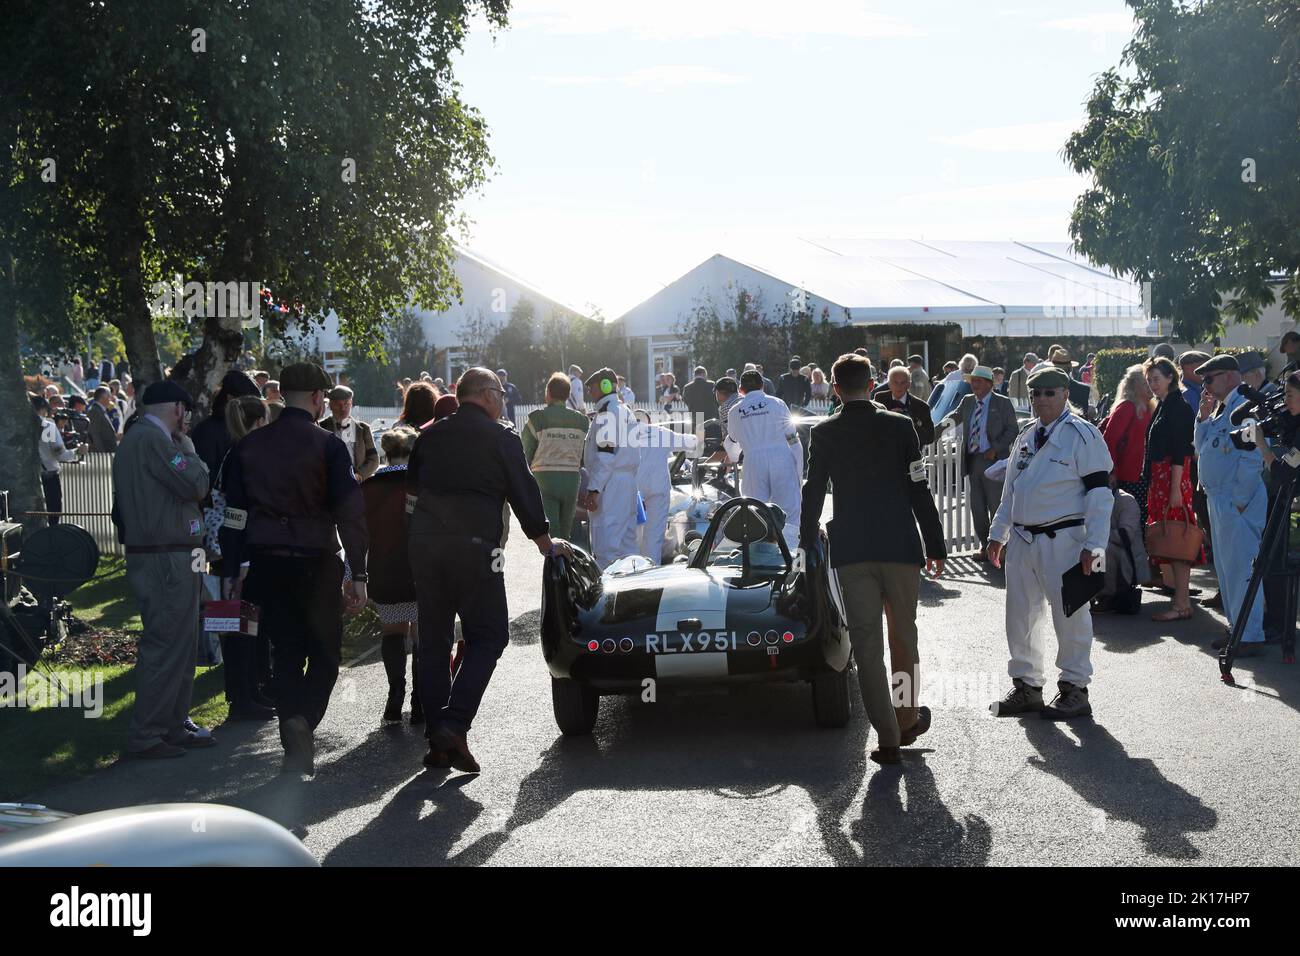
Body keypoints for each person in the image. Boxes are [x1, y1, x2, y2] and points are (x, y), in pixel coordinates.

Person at [220, 362, 370, 774]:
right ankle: (303, 719)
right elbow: (350, 514)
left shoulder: (248, 448)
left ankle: (291, 722)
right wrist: (358, 573)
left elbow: (233, 516)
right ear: (320, 399)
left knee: (285, 651)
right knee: (325, 653)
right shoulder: (329, 446)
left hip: (267, 563)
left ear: (283, 394)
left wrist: (232, 568)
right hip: (317, 561)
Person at [407, 367, 556, 773]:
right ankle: (454, 724)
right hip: (475, 548)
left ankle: (440, 740)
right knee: (489, 635)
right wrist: (543, 541)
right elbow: (523, 490)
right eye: (502, 394)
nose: (504, 400)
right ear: (487, 394)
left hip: (425, 545)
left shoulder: (431, 434)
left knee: (434, 642)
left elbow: (414, 485)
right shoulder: (501, 437)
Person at [800, 353, 946, 765]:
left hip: (854, 551)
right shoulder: (900, 426)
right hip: (900, 547)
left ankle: (887, 737)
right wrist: (934, 545)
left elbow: (813, 490)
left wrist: (806, 538)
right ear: (873, 383)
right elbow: (919, 487)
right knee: (904, 638)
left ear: (835, 388)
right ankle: (906, 716)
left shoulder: (825, 432)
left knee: (866, 647)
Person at [987, 365, 1114, 720]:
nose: (1040, 400)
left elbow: (1100, 495)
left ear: (1064, 394)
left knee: (1071, 615)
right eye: (1034, 394)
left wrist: (1095, 545)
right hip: (1024, 540)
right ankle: (1027, 686)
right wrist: (998, 534)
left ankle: (1075, 689)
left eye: (1048, 393)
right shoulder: (1027, 435)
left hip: (1066, 540)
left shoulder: (1082, 435)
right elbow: (1010, 491)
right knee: (1020, 616)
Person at [112, 380, 213, 758]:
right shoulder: (154, 441)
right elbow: (197, 484)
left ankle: (172, 723)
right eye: (185, 411)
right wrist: (188, 448)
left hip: (170, 553)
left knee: (181, 643)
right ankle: (149, 733)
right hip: (165, 557)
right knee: (167, 644)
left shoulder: (139, 440)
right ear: (178, 409)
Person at [1194, 354, 1267, 655]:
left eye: (1209, 379)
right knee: (1226, 571)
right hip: (1219, 497)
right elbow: (1201, 448)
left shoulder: (1244, 408)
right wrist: (1202, 416)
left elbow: (1252, 458)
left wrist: (1237, 501)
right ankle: (1237, 629)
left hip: (1237, 499)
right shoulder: (1222, 407)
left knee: (1241, 569)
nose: (1206, 386)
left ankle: (1249, 635)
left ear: (1229, 376)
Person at [213, 395, 276, 721]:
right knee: (240, 630)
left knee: (245, 628)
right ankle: (241, 697)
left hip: (233, 552)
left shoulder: (235, 452)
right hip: (238, 555)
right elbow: (238, 512)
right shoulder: (245, 454)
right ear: (259, 421)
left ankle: (249, 690)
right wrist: (240, 563)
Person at [364, 425, 422, 724]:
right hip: (420, 568)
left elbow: (358, 536)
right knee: (422, 632)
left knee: (393, 631)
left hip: (384, 568)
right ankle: (421, 700)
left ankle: (394, 695)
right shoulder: (420, 483)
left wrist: (354, 576)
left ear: (386, 453)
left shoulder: (369, 487)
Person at [935, 366, 1018, 559]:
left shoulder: (1002, 403)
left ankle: (1001, 547)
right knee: (977, 508)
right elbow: (953, 418)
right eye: (973, 381)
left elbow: (1012, 430)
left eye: (978, 381)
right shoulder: (967, 401)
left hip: (994, 462)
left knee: (995, 505)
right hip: (973, 461)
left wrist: (995, 448)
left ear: (989, 384)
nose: (974, 385)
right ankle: (985, 546)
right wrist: (933, 431)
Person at [1142, 357, 1201, 621]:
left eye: (1156, 378)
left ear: (1170, 377)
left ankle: (1181, 603)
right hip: (1162, 479)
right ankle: (1180, 600)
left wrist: (1175, 489)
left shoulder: (1179, 406)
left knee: (1177, 538)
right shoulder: (1165, 405)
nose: (1152, 384)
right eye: (1149, 380)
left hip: (1172, 479)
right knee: (1169, 538)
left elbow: (1181, 452)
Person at [725, 369, 803, 549]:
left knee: (754, 511)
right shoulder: (777, 403)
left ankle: (758, 554)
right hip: (781, 458)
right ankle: (791, 555)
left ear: (741, 389)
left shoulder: (735, 410)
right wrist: (798, 474)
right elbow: (793, 440)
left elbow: (733, 442)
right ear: (762, 385)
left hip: (753, 461)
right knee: (789, 511)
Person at [579, 368, 642, 568]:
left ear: (605, 386)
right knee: (628, 547)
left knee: (606, 547)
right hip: (627, 483)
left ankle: (606, 597)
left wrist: (594, 489)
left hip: (610, 484)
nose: (589, 391)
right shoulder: (625, 410)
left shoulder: (607, 413)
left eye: (592, 387)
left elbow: (605, 457)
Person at [521, 373, 590, 541]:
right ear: (567, 395)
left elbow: (524, 454)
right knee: (566, 534)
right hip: (572, 481)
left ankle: (553, 566)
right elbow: (584, 456)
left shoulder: (537, 418)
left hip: (544, 482)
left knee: (552, 535)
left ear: (548, 393)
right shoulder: (582, 421)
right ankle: (566, 565)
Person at [633, 415, 697, 565]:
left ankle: (633, 572)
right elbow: (691, 442)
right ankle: (651, 571)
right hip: (658, 489)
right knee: (654, 536)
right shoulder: (660, 432)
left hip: (634, 490)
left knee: (633, 537)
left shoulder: (622, 435)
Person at [1103, 365, 1155, 526]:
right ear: (1134, 385)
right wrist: (1111, 472)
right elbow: (1108, 441)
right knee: (1132, 524)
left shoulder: (1148, 406)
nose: (1150, 387)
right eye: (1145, 383)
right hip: (1127, 476)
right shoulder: (1127, 407)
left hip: (1142, 476)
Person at [192, 370, 263, 480]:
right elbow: (205, 476)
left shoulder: (251, 428)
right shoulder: (207, 432)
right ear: (230, 398)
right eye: (248, 403)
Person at [33, 394, 80, 523]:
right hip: (49, 478)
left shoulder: (22, 427)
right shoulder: (47, 427)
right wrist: (77, 451)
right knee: (53, 515)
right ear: (43, 409)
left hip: (30, 478)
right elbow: (59, 454)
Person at [319, 384, 379, 479]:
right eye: (338, 404)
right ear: (330, 405)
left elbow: (374, 459)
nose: (343, 408)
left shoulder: (364, 429)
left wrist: (360, 475)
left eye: (346, 403)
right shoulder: (320, 427)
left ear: (351, 403)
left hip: (357, 485)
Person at [876, 365, 935, 446]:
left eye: (902, 383)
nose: (898, 386)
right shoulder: (880, 399)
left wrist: (910, 423)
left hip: (910, 455)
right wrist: (888, 417)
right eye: (895, 382)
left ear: (909, 384)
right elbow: (872, 428)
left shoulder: (921, 406)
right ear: (889, 384)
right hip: (886, 452)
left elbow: (929, 438)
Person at [929, 353, 977, 423]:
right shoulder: (955, 375)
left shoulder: (974, 377)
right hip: (950, 412)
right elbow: (943, 386)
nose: (969, 365)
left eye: (971, 363)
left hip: (965, 412)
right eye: (967, 362)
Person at [87, 385, 119, 452]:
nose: (110, 400)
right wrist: (102, 454)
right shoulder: (94, 412)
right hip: (103, 456)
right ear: (102, 398)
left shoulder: (101, 410)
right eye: (109, 397)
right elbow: (95, 435)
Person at [1178, 350, 1210, 415]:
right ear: (1188, 369)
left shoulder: (1195, 390)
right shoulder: (1188, 394)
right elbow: (1198, 420)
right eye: (1202, 368)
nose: (1207, 372)